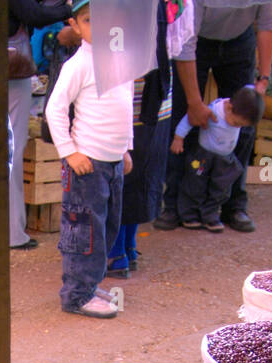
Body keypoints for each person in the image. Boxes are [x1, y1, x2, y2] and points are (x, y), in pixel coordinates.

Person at [156, 0, 272, 233]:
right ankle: (174, 205)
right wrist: (194, 102)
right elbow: (186, 45)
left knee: (244, 123)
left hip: (240, 41)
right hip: (196, 40)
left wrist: (263, 79)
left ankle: (233, 205)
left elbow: (267, 25)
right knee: (184, 120)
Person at [45, 0, 133, 319]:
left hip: (112, 161)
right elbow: (55, 109)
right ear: (76, 25)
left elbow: (124, 104)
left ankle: (90, 283)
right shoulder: (78, 65)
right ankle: (76, 294)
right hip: (86, 163)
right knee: (83, 231)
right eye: (89, 19)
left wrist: (125, 148)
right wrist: (69, 152)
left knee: (106, 225)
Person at [107, 0, 176, 278]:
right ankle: (128, 248)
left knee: (120, 174)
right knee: (141, 172)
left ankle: (115, 253)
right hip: (157, 96)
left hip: (130, 95)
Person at [7, 0, 71, 251]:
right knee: (11, 149)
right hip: (9, 71)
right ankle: (12, 233)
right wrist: (68, 8)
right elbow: (34, 14)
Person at [170, 85, 259, 232]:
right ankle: (189, 214)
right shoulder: (214, 111)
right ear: (229, 107)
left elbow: (249, 88)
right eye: (237, 124)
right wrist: (178, 138)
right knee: (195, 183)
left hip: (224, 157)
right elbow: (189, 119)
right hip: (203, 155)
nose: (237, 126)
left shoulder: (240, 109)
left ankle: (210, 215)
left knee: (221, 188)